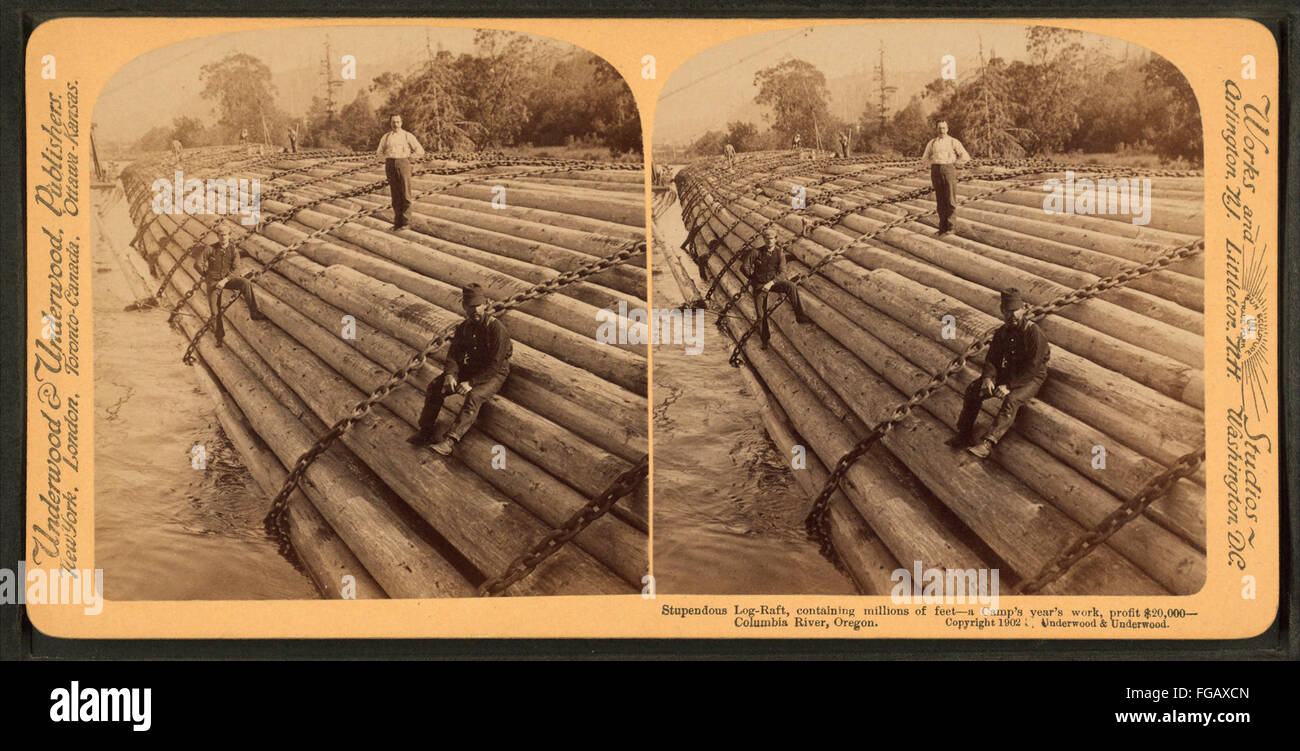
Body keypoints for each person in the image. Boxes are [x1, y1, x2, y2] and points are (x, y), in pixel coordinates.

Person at [408, 283, 512, 456]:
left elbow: (495, 364)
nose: (475, 311)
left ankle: (450, 441)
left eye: (478, 306)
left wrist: (471, 383)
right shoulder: (464, 328)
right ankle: (425, 430)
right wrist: (450, 374)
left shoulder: (496, 330)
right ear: (464, 307)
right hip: (472, 367)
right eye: (471, 307)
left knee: (474, 396)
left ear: (485, 304)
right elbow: (453, 355)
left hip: (494, 372)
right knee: (435, 386)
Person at [947, 288, 1050, 459]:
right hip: (1010, 372)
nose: (1012, 316)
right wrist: (988, 378)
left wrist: (1008, 386)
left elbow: (1033, 366)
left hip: (1031, 376)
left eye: (1015, 311)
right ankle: (964, 434)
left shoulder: (1034, 333)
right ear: (1002, 312)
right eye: (1008, 312)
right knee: (974, 389)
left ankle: (987, 443)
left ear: (1023, 309)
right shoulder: (1002, 332)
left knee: (1012, 400)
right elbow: (992, 359)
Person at [196, 222, 268, 347]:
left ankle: (254, 312)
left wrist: (225, 280)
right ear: (217, 236)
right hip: (213, 282)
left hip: (227, 280)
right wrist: (207, 276)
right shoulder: (210, 249)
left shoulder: (233, 250)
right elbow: (197, 264)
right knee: (215, 312)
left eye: (225, 235)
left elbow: (236, 269)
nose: (223, 237)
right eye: (220, 235)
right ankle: (219, 337)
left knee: (245, 283)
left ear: (229, 236)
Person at [745, 226, 811, 349]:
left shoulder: (779, 254)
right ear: (764, 239)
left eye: (772, 239)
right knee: (761, 315)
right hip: (759, 286)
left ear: (776, 239)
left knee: (790, 286)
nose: (769, 241)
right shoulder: (756, 252)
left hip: (773, 283)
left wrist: (772, 282)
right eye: (767, 238)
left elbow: (782, 273)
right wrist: (754, 279)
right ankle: (765, 340)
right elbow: (744, 267)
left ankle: (800, 315)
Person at [920, 120, 971, 236]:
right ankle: (942, 228)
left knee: (950, 200)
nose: (941, 130)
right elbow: (925, 157)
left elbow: (965, 156)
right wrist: (931, 164)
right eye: (939, 128)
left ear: (947, 129)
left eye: (943, 128)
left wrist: (955, 164)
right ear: (936, 129)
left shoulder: (953, 142)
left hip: (949, 169)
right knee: (940, 200)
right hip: (936, 170)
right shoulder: (932, 143)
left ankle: (951, 227)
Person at [376, 114, 426, 230]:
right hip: (390, 164)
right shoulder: (386, 137)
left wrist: (408, 159)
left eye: (398, 122)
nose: (396, 124)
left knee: (405, 194)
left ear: (401, 123)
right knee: (395, 195)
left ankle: (406, 222)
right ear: (390, 123)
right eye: (393, 122)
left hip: (403, 163)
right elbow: (379, 152)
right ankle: (397, 223)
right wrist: (387, 159)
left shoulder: (407, 136)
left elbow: (420, 150)